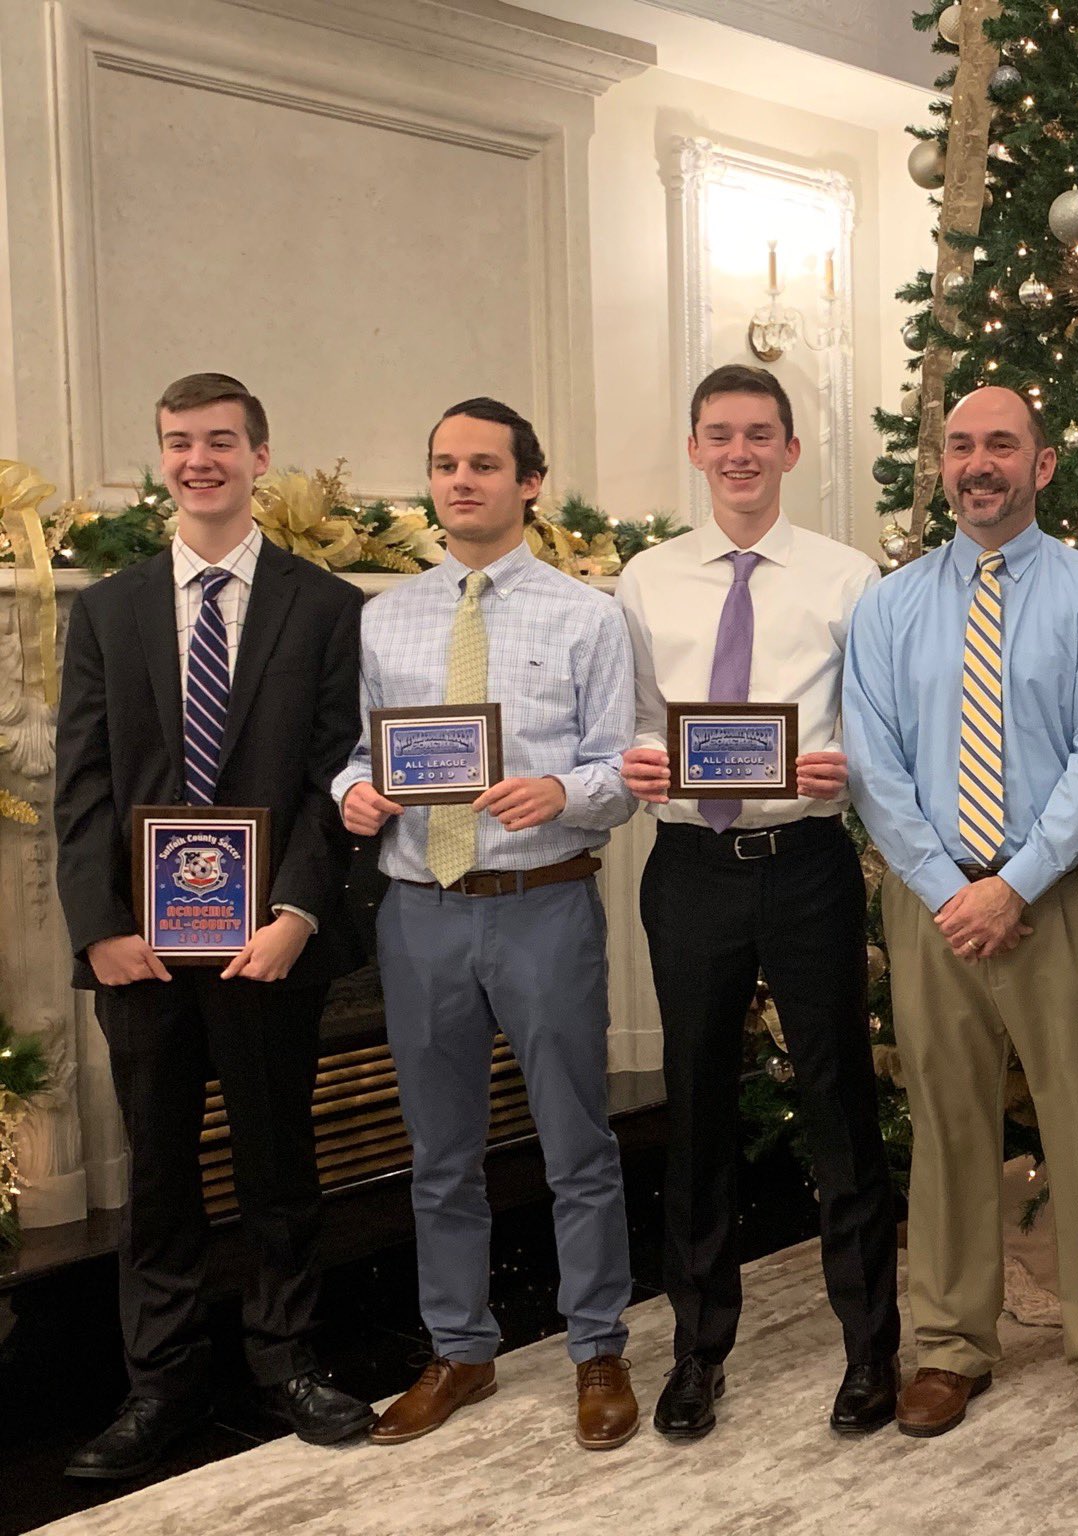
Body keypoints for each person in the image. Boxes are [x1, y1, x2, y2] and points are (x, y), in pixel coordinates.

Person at [54, 372, 373, 1478]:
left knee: (278, 1161)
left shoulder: (326, 607)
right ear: (163, 459)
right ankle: (161, 1385)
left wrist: (296, 911)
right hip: (140, 953)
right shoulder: (107, 610)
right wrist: (98, 927)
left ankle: (288, 1359)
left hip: (268, 945)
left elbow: (335, 776)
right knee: (157, 1173)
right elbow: (81, 783)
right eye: (180, 442)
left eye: (221, 441)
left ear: (259, 457)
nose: (200, 460)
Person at [843, 385, 1078, 1449]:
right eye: (961, 446)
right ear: (940, 464)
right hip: (932, 901)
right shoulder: (888, 606)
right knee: (945, 1124)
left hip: (1063, 896)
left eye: (1002, 445)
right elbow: (872, 760)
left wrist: (1015, 883)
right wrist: (947, 888)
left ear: (1042, 464)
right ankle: (948, 1345)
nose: (979, 463)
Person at [334, 397, 640, 1451]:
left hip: (541, 905)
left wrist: (562, 790)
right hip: (419, 912)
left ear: (528, 482)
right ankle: (460, 1348)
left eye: (482, 464)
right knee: (440, 1153)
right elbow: (359, 752)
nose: (460, 481)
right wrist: (353, 793)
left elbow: (623, 769)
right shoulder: (384, 617)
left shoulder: (587, 616)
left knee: (576, 1142)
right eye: (444, 465)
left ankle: (597, 1346)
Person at [615, 364, 900, 1441]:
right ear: (694, 448)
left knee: (839, 1100)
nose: (738, 453)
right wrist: (641, 760)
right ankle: (697, 1351)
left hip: (807, 860)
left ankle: (869, 1347)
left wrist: (849, 767)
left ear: (790, 450)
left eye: (758, 434)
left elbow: (876, 719)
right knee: (693, 1106)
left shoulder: (847, 576)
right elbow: (633, 718)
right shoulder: (647, 578)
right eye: (719, 434)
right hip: (690, 866)